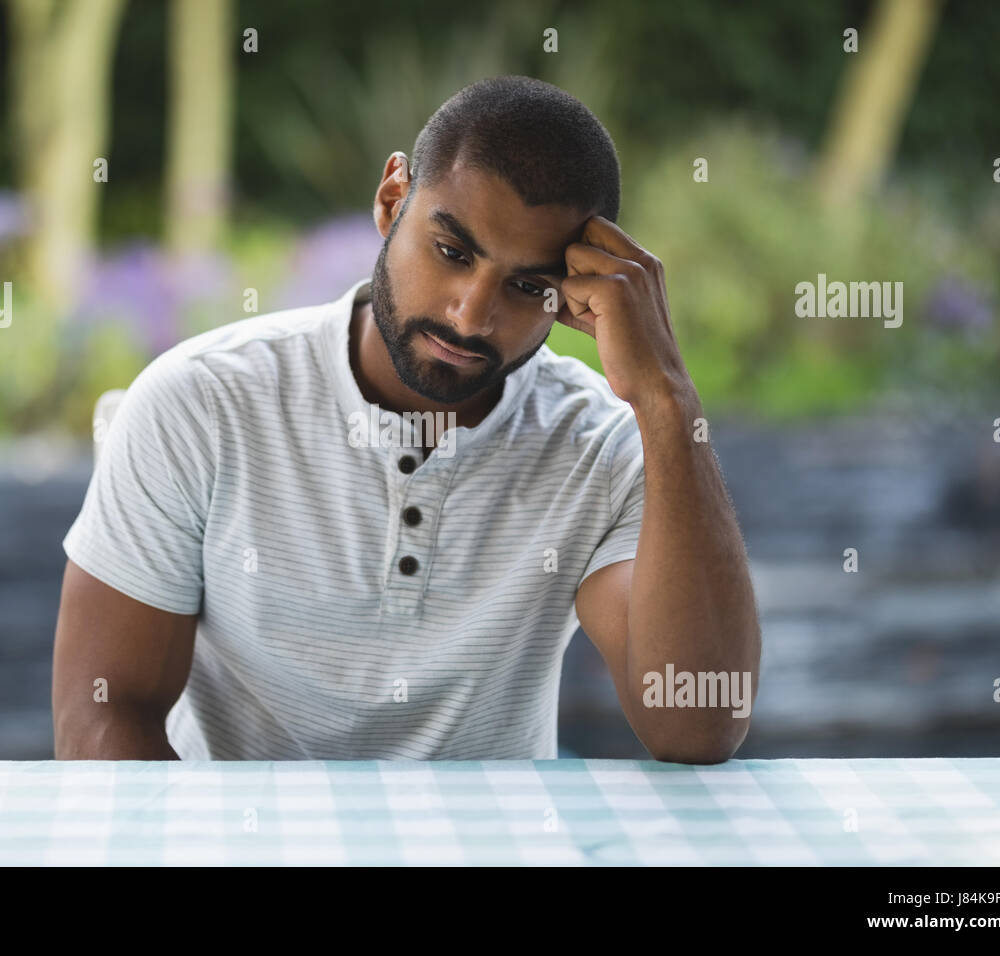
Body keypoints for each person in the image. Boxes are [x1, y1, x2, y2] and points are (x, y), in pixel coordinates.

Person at [52, 75, 760, 762]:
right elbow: (102, 713)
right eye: (453, 253)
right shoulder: (199, 404)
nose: (470, 314)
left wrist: (668, 401)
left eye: (527, 285)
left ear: (575, 293)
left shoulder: (601, 445)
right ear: (393, 200)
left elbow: (693, 725)